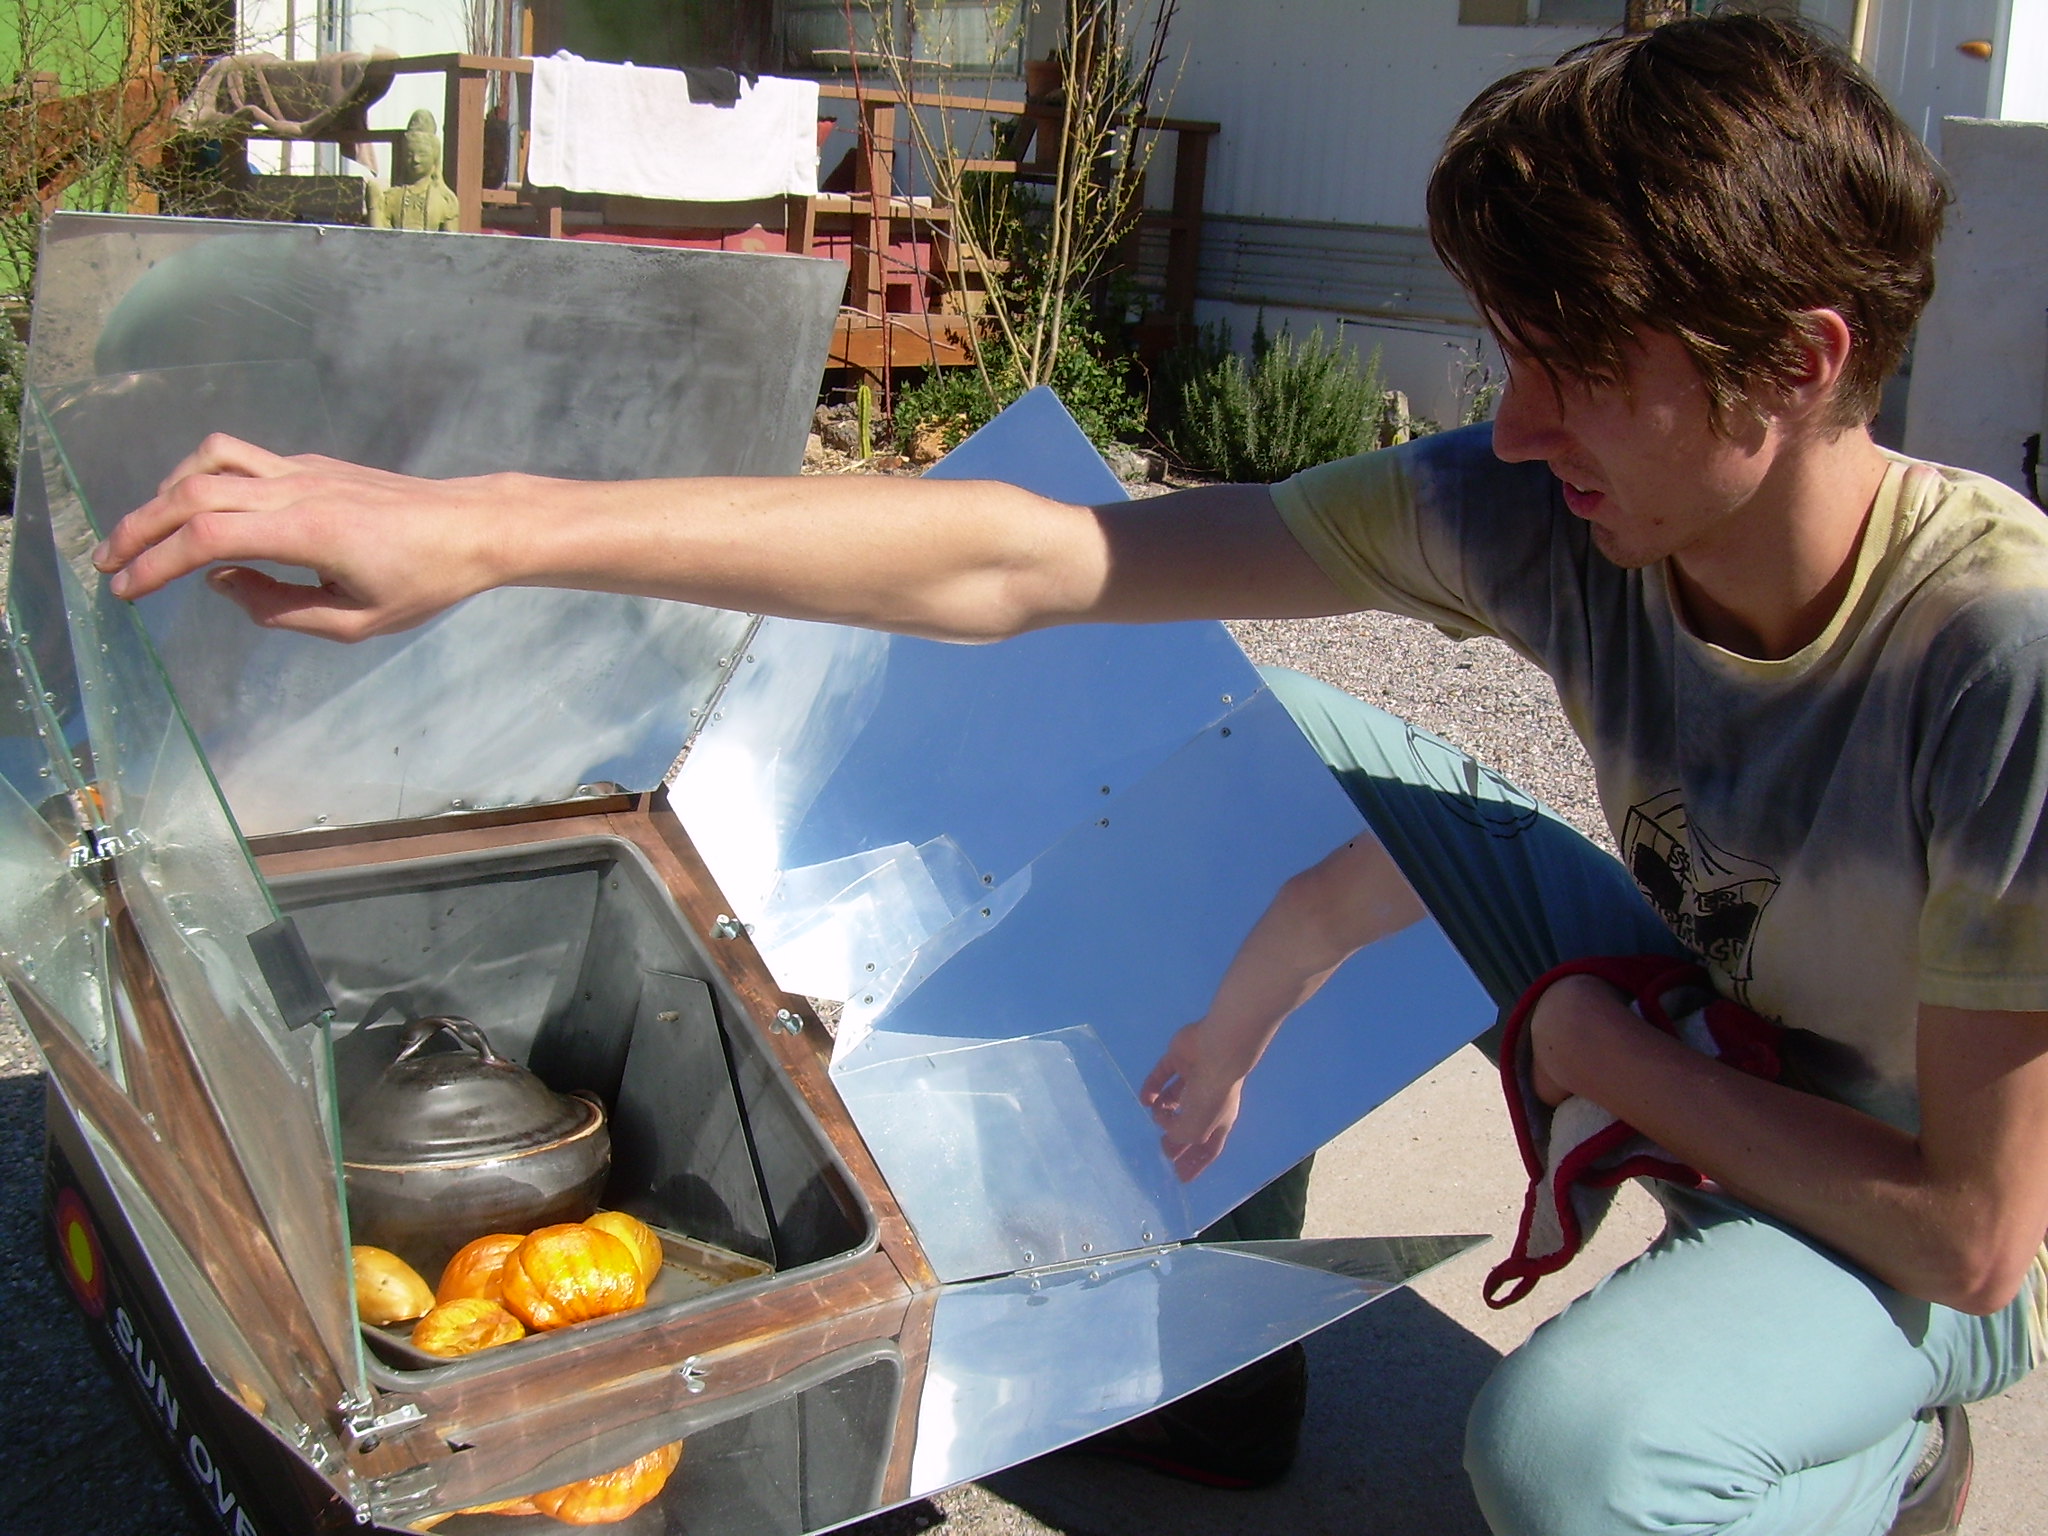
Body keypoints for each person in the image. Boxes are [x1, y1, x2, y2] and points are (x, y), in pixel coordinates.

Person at [93, 13, 2048, 1534]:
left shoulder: (1996, 663)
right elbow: (1032, 560)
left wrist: (1616, 1066)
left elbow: (1977, 1228)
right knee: (1259, 722)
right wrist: (480, 529)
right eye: (1502, 354)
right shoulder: (1541, 509)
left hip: (1924, 1194)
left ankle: (1860, 1467)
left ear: (1795, 364)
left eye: (1574, 364)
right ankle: (1217, 1374)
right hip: (1714, 981)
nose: (1508, 421)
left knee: (1576, 1457)